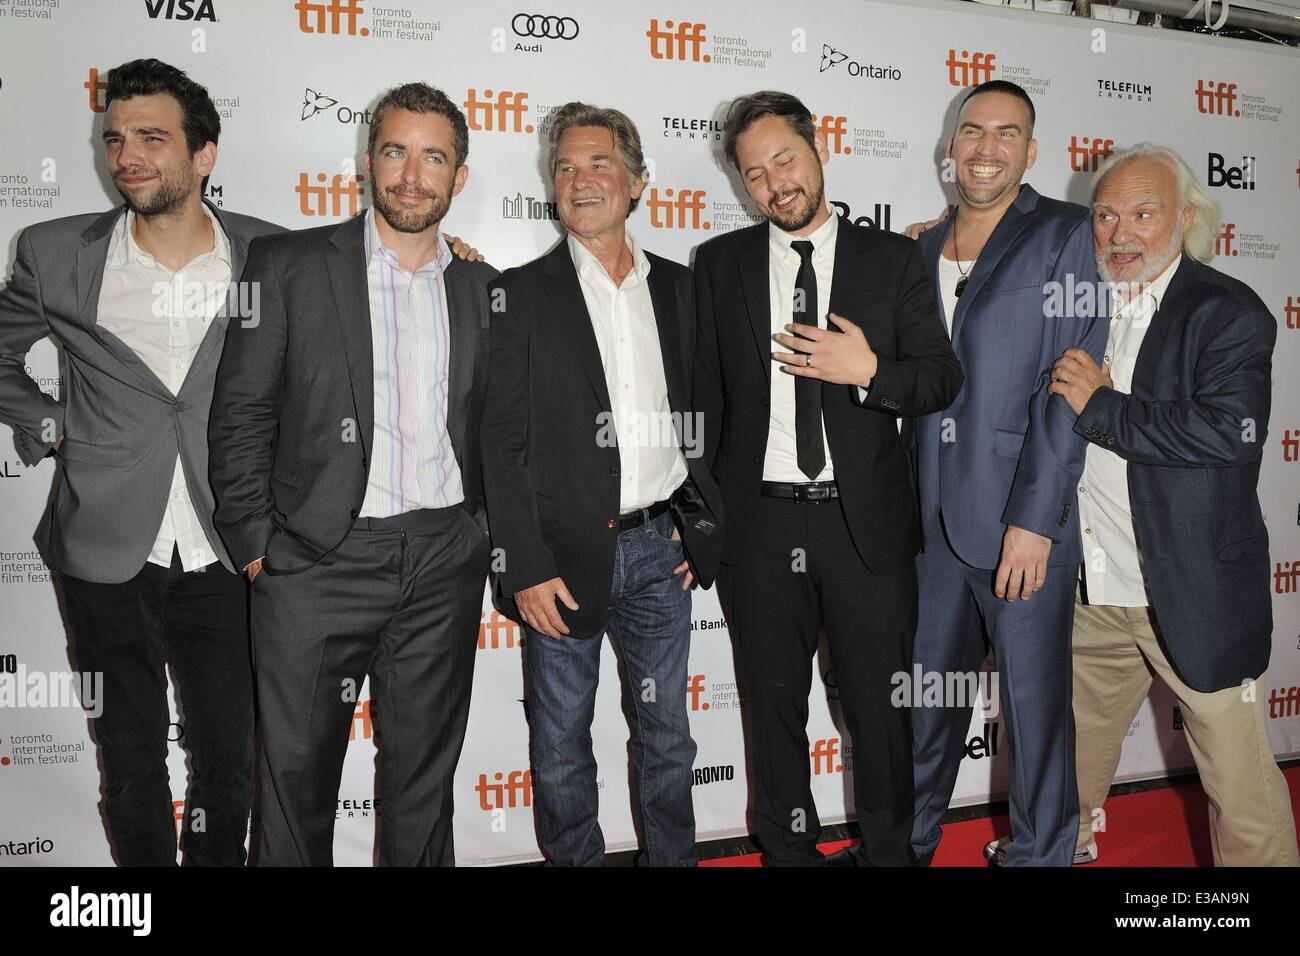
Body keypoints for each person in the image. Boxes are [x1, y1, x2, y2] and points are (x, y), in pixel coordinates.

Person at [0, 58, 283, 865]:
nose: (127, 155)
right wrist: (51, 423)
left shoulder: (273, 254)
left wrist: (464, 265)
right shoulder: (57, 253)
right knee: (128, 761)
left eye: (152, 138)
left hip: (234, 548)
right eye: (116, 138)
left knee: (229, 761)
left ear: (204, 155)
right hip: (102, 545)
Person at [208, 82, 496, 866]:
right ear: (368, 161)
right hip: (314, 564)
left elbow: (498, 429)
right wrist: (257, 547)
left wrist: (478, 536)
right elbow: (240, 413)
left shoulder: (481, 286)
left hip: (442, 559)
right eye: (395, 151)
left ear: (459, 176)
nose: (411, 173)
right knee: (295, 786)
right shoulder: (287, 264)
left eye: (433, 156)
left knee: (421, 787)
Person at [693, 91, 962, 866]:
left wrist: (871, 371)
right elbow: (702, 406)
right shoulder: (720, 265)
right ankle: (788, 853)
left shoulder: (893, 259)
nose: (774, 183)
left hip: (866, 528)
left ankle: (888, 855)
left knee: (880, 716)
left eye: (785, 159)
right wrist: (702, 523)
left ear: (818, 152)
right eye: (754, 174)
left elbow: (941, 379)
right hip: (761, 525)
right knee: (773, 712)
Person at [1036, 143, 1297, 867]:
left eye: (1144, 213)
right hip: (1095, 588)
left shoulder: (1226, 311)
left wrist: (1104, 406)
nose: (1121, 232)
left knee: (1238, 781)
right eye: (1106, 214)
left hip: (1194, 589)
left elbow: (1228, 435)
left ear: (1184, 219)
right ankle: (1064, 846)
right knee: (1070, 756)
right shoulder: (1077, 302)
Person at [479, 102, 723, 866]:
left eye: (599, 164)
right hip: (558, 560)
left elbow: (712, 416)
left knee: (668, 740)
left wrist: (702, 523)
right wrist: (523, 564)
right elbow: (500, 442)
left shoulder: (685, 291)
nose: (581, 180)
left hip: (660, 550)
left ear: (638, 181)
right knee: (558, 747)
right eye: (565, 167)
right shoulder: (518, 294)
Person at [909, 80, 1107, 867]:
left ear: (1030, 152)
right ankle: (908, 846)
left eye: (1007, 133)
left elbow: (1070, 385)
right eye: (972, 132)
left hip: (1019, 528)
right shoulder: (921, 248)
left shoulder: (1064, 234)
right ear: (950, 147)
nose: (986, 147)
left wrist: (1035, 522)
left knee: (1033, 714)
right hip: (926, 529)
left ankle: (1040, 856)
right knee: (924, 710)